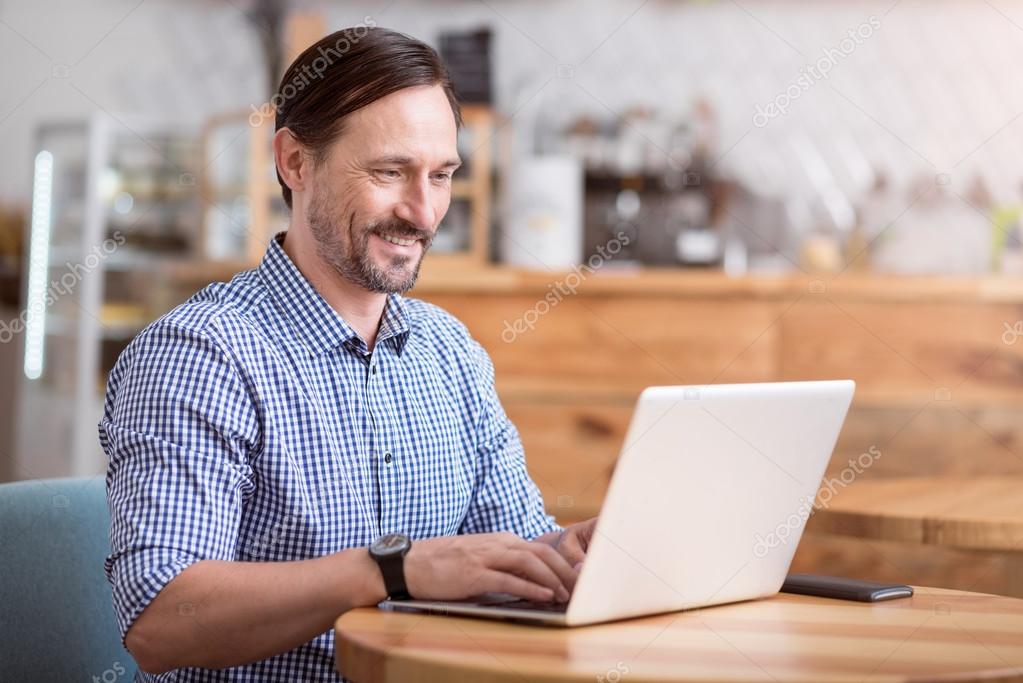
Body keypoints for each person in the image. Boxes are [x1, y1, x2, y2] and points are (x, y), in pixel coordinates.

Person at [99, 26, 597, 681]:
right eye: (390, 172)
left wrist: (578, 550)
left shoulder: (449, 352)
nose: (423, 212)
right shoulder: (201, 354)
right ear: (295, 163)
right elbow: (160, 622)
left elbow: (507, 547)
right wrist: (389, 568)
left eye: (441, 175)